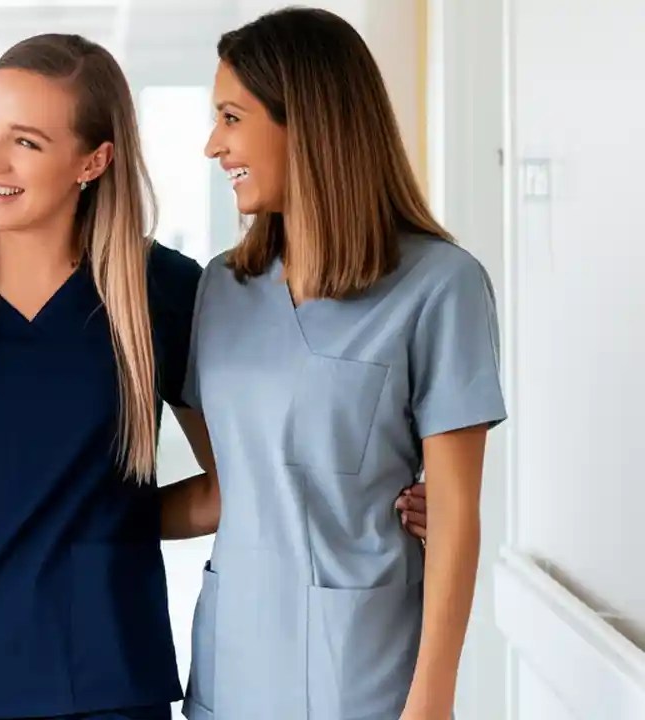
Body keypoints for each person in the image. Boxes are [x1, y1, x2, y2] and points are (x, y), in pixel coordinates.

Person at [0, 33, 430, 720]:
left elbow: (239, 479)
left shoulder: (163, 292)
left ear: (93, 161)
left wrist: (382, 495)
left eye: (26, 141)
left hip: (105, 672)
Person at [182, 9, 507, 720]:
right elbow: (225, 487)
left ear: (304, 117)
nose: (214, 144)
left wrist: (432, 702)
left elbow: (454, 516)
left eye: (231, 117)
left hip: (367, 673)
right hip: (230, 663)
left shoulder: (440, 285)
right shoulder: (220, 289)